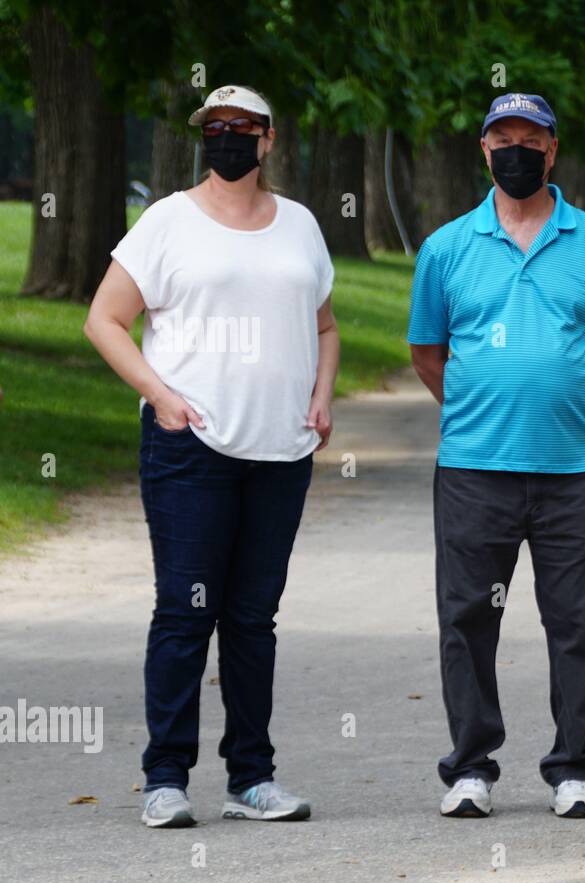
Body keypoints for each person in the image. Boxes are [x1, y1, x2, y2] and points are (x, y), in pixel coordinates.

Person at [83, 85, 338, 828]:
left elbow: (324, 327)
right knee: (185, 612)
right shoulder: (167, 222)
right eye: (215, 127)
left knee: (253, 619)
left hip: (281, 451)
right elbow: (105, 318)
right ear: (204, 138)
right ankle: (166, 777)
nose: (227, 138)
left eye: (242, 127)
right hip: (189, 449)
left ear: (267, 139)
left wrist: (323, 395)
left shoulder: (300, 226)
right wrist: (159, 395)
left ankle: (251, 778)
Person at [407, 93, 585, 820]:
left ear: (552, 149)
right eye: (502, 137)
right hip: (474, 468)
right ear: (483, 150)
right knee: (468, 619)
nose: (517, 149)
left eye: (530, 139)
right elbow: (426, 351)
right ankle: (470, 768)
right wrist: (486, 407)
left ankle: (574, 768)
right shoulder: (447, 247)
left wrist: (562, 399)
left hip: (571, 468)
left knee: (580, 622)